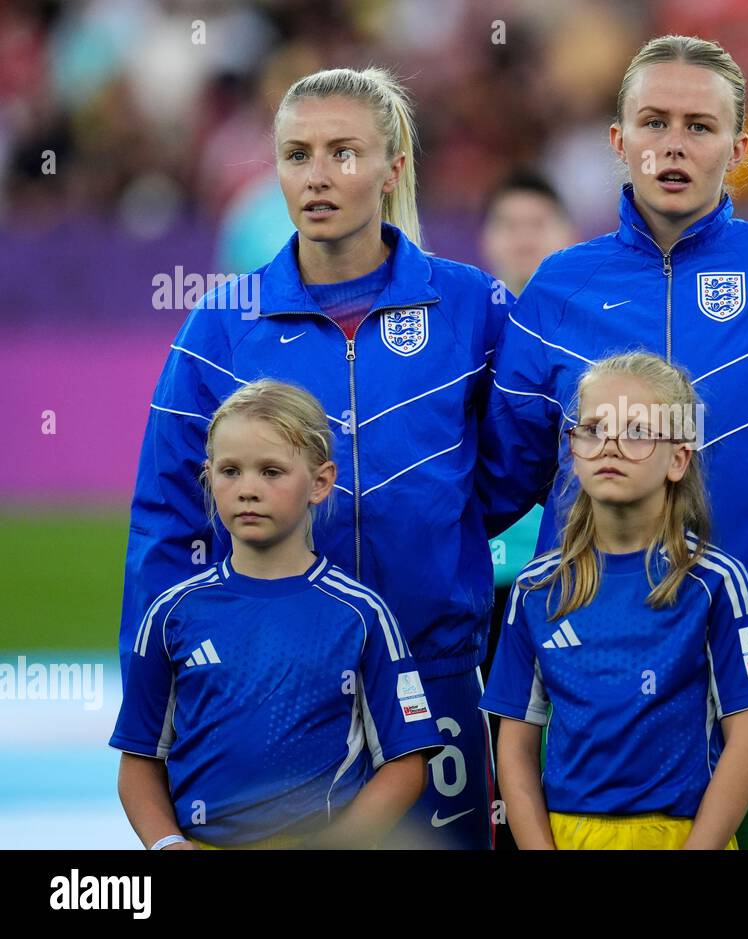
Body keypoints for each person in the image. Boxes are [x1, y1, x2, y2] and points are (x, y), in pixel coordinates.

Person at [480, 34, 748, 851]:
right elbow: (501, 475)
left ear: (740, 148)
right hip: (591, 675)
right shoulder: (559, 289)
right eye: (654, 122)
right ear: (618, 139)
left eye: (700, 126)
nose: (673, 144)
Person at [119, 67, 507, 849]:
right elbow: (167, 517)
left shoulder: (472, 306)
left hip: (434, 673)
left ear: (393, 167)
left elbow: (516, 467)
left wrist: (440, 535)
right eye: (297, 155)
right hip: (269, 686)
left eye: (344, 152)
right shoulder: (220, 325)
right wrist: (157, 689)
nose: (317, 175)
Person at [482, 352, 748, 849]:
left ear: (678, 459)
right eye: (594, 429)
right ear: (573, 449)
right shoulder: (537, 588)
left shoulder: (716, 584)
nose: (611, 445)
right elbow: (515, 748)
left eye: (637, 431)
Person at [112, 381, 438, 849]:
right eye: (230, 471)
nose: (248, 490)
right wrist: (166, 843)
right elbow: (140, 759)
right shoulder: (171, 615)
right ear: (208, 478)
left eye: (271, 472)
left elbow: (406, 764)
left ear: (320, 483)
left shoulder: (362, 615)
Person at [478, 169, 578, 849]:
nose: (522, 238)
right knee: (491, 760)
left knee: (558, 754)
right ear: (486, 240)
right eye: (508, 225)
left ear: (568, 235)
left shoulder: (588, 332)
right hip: (482, 590)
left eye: (537, 224)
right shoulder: (463, 339)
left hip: (566, 582)